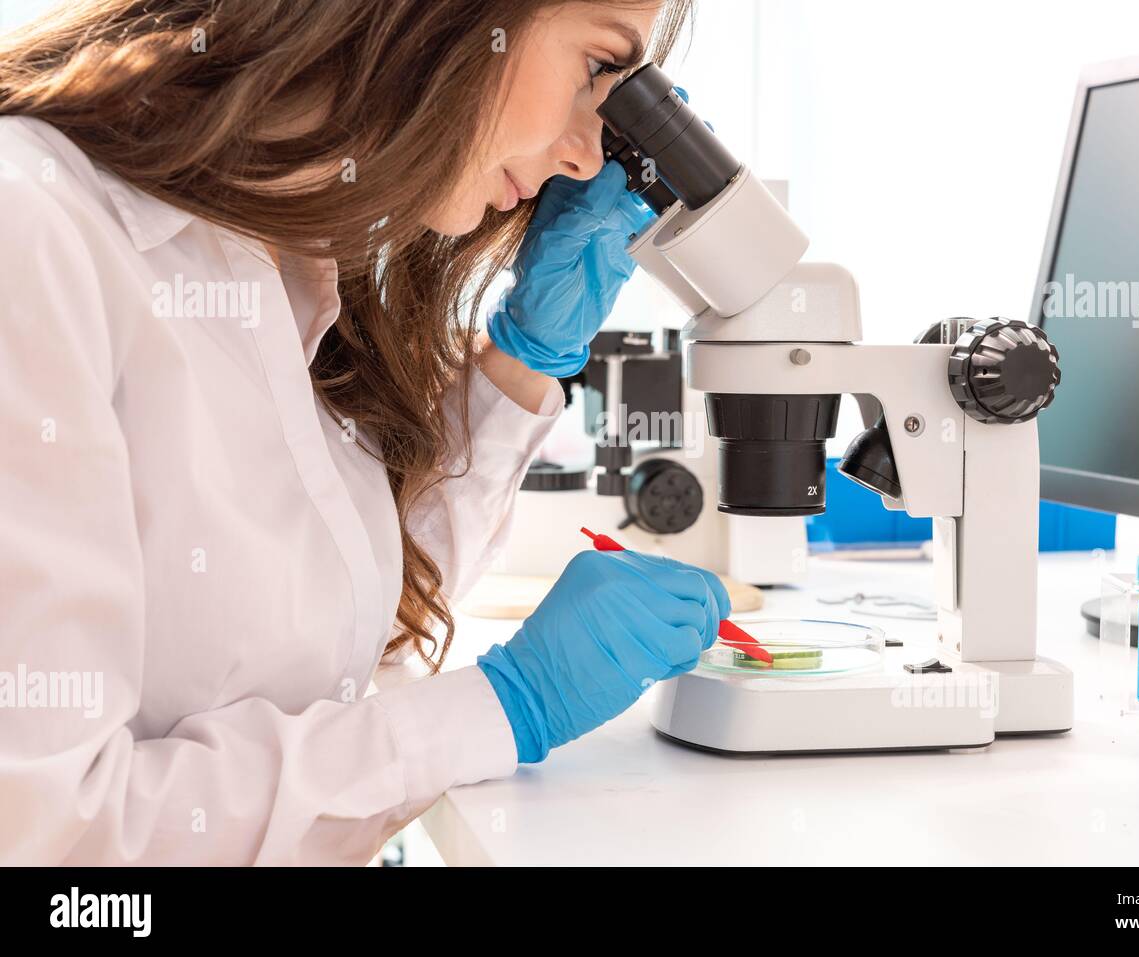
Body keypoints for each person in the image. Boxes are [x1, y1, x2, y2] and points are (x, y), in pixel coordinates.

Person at [0, 0, 727, 865]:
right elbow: (56, 842)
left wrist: (527, 355)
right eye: (594, 70)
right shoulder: (33, 232)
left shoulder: (293, 263)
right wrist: (509, 704)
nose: (587, 150)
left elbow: (343, 642)